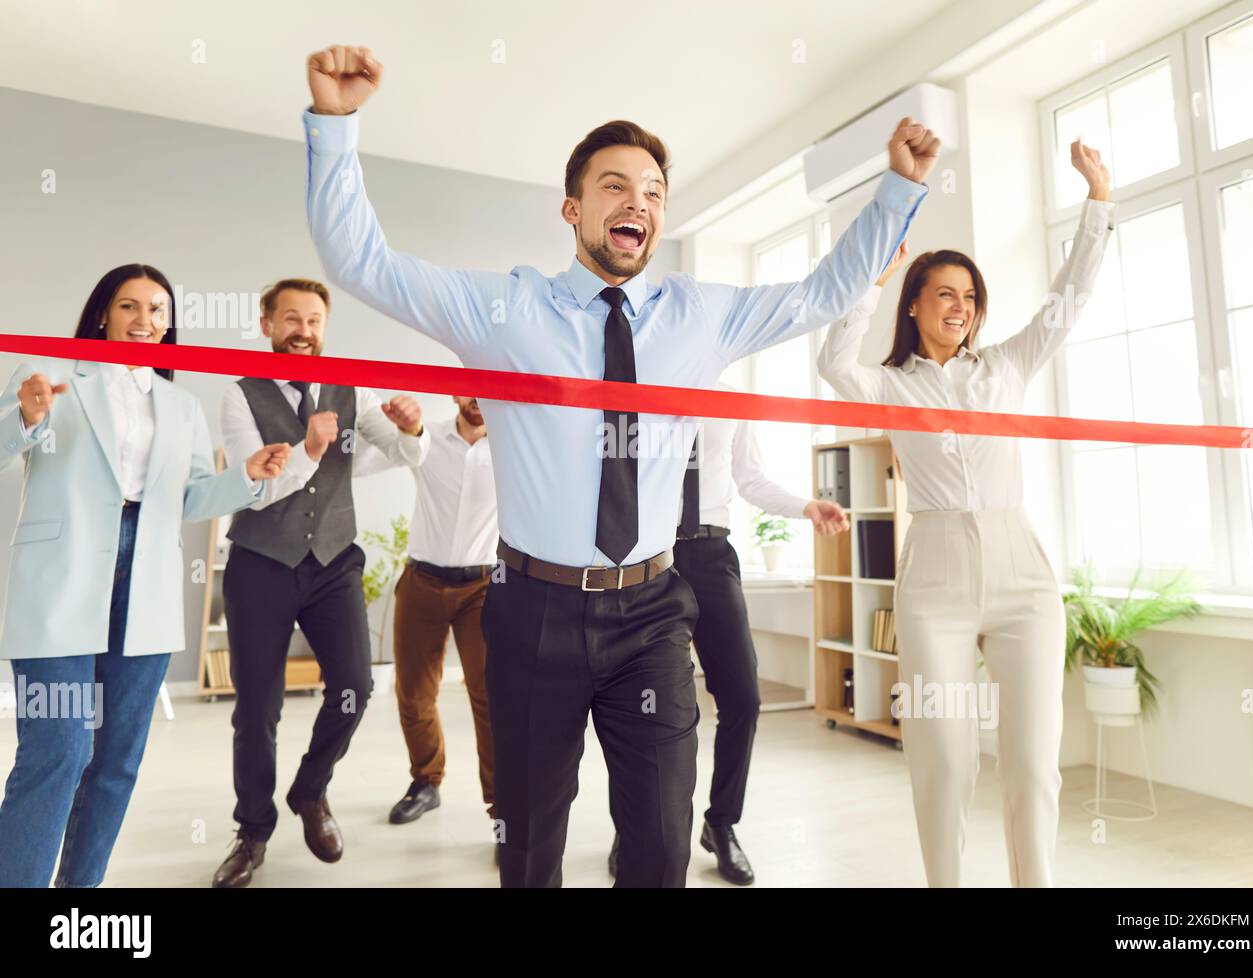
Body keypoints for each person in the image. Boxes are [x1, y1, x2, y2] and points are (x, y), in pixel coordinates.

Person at [301, 43, 935, 887]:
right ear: (572, 209)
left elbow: (820, 293)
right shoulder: (506, 311)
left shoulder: (700, 316)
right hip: (532, 617)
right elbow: (362, 264)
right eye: (615, 187)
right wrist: (337, 126)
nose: (638, 203)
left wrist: (899, 189)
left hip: (651, 616)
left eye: (654, 193)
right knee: (529, 849)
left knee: (660, 850)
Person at [817, 141, 1114, 887]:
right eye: (943, 293)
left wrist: (1098, 202)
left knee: (1031, 764)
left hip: (1023, 573)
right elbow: (832, 362)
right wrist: (867, 282)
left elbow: (1067, 303)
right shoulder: (890, 386)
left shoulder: (1006, 366)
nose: (960, 307)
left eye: (970, 297)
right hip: (939, 576)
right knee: (945, 761)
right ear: (914, 304)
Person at [0, 263, 290, 888]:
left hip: (146, 591)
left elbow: (188, 498)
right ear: (103, 312)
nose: (145, 320)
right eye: (130, 306)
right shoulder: (50, 375)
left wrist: (247, 476)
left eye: (157, 310)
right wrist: (24, 419)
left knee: (115, 762)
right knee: (58, 752)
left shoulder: (181, 405)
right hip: (62, 585)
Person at [211, 277, 429, 888]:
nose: (302, 331)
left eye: (313, 320)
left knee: (356, 687)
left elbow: (403, 455)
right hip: (260, 562)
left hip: (334, 560)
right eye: (290, 319)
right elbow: (256, 486)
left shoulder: (352, 389)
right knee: (258, 709)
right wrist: (308, 450)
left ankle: (310, 790)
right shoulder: (239, 395)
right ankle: (251, 832)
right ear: (267, 324)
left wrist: (413, 428)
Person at [608, 415, 850, 884]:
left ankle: (721, 823)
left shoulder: (731, 396)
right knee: (634, 707)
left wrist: (807, 507)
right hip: (650, 554)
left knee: (743, 698)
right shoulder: (653, 385)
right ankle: (634, 828)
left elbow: (751, 479)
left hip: (713, 556)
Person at [383, 395, 498, 834]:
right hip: (422, 581)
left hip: (484, 588)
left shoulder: (514, 448)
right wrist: (407, 429)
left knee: (489, 696)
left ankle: (500, 808)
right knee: (413, 692)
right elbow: (408, 446)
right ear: (454, 391)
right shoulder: (426, 436)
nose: (479, 400)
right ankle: (425, 782)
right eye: (470, 389)